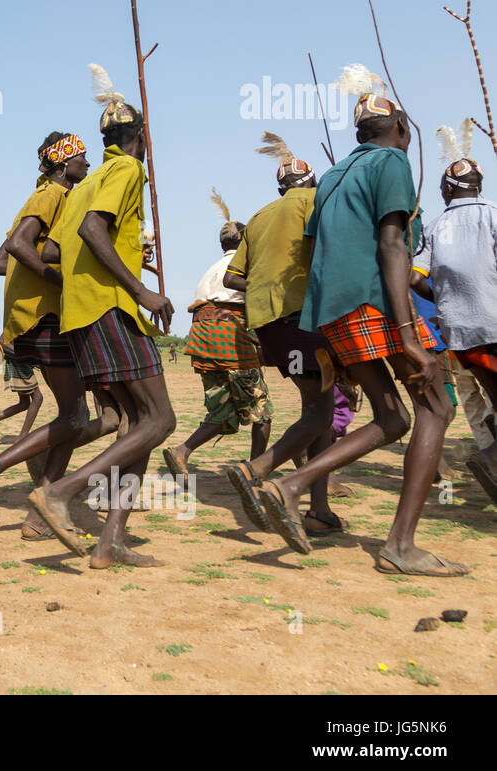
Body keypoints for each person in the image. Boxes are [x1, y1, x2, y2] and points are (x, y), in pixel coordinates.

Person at [258, 91, 466, 576]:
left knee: (392, 418)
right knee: (437, 404)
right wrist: (409, 330)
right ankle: (401, 546)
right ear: (398, 126)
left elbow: (323, 244)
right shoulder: (392, 161)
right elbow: (392, 243)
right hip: (371, 300)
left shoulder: (333, 176)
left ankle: (290, 487)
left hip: (330, 309)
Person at [29, 76, 177, 568]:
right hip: (112, 307)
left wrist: (131, 256)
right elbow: (94, 229)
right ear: (142, 136)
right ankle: (61, 492)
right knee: (161, 419)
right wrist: (141, 289)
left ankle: (110, 541)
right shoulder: (127, 170)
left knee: (139, 425)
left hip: (80, 314)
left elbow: (53, 248)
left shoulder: (83, 184)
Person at [0, 132, 119, 538]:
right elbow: (16, 245)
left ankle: (39, 516)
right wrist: (60, 280)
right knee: (78, 415)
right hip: (42, 318)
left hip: (34, 319)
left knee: (73, 415)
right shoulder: (51, 195)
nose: (86, 163)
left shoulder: (56, 197)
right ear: (64, 164)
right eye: (81, 157)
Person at [219, 143, 341, 536]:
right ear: (314, 183)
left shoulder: (258, 217)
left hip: (271, 328)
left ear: (281, 190)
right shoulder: (317, 203)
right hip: (303, 322)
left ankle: (319, 510)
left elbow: (231, 278)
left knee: (317, 411)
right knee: (320, 414)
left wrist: (268, 284)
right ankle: (257, 470)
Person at [411, 156, 497, 504]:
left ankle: (490, 455)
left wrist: (445, 301)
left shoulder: (434, 226)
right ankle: (490, 457)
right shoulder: (493, 214)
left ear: (447, 189)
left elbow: (415, 276)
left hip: (457, 334)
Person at [162, 215, 272, 476]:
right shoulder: (242, 268)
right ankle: (254, 471)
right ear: (247, 241)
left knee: (222, 411)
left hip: (204, 343)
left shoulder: (211, 270)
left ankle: (182, 451)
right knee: (262, 412)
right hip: (231, 343)